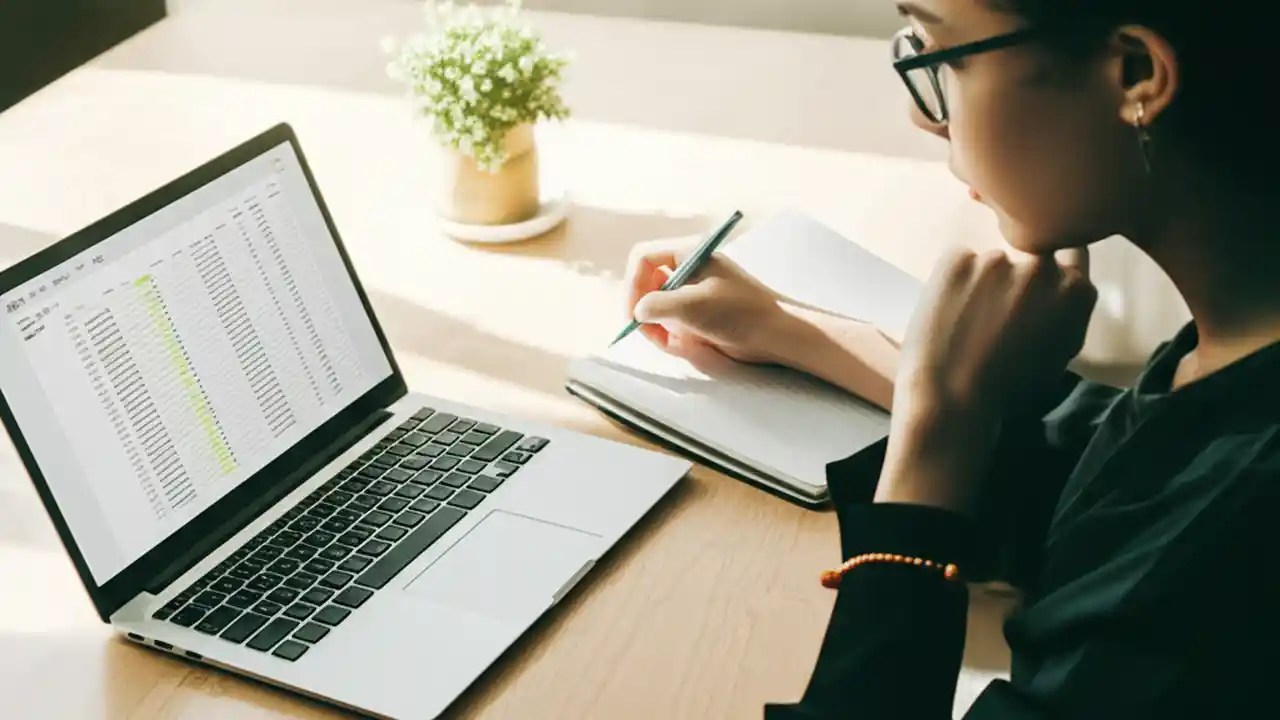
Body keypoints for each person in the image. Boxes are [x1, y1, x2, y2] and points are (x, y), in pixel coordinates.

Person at [623, 1, 1280, 717]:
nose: (923, 117)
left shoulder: (1223, 557)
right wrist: (789, 330)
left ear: (1134, 74)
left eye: (940, 52)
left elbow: (1154, 548)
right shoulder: (1237, 346)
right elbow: (1122, 474)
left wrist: (932, 449)